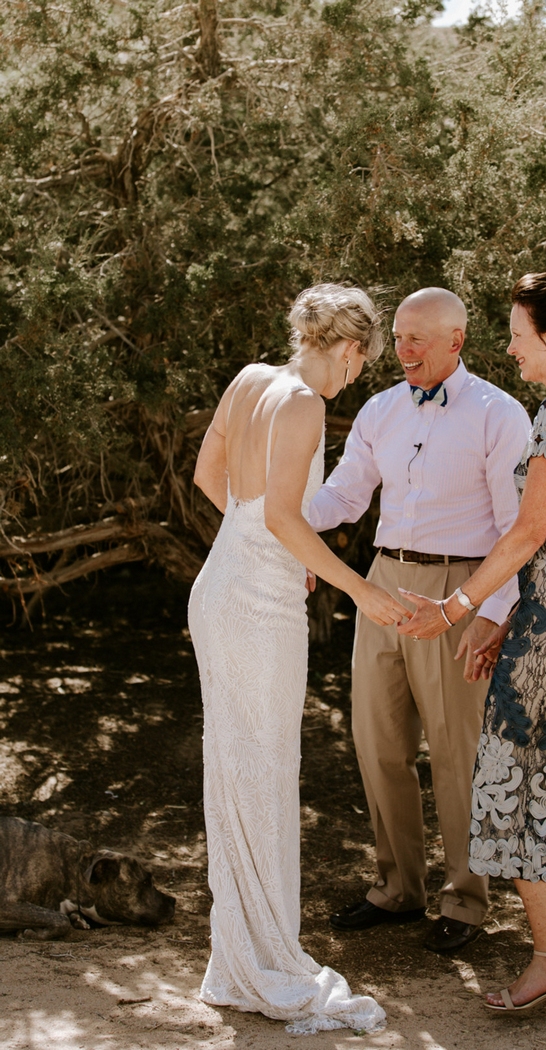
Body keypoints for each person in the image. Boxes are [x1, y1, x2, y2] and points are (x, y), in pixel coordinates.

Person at [399, 272, 546, 1015]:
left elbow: (529, 532)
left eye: (518, 336)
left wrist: (458, 605)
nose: (510, 349)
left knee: (513, 777)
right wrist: (504, 618)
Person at [188, 283, 411, 1034]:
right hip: (256, 606)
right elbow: (285, 514)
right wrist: (359, 590)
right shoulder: (309, 405)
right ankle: (266, 961)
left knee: (237, 769)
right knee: (265, 770)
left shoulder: (250, 380)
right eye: (361, 363)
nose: (355, 376)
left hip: (219, 586)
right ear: (350, 349)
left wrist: (263, 540)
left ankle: (241, 957)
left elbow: (209, 479)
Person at [308, 287, 531, 953]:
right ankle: (397, 887)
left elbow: (516, 529)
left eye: (417, 339)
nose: (401, 349)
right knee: (378, 743)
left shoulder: (499, 413)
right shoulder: (379, 410)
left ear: (455, 341)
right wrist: (277, 519)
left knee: (457, 753)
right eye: (398, 337)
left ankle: (465, 900)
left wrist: (490, 616)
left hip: (460, 588)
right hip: (382, 582)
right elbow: (345, 495)